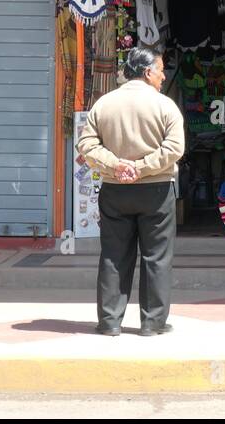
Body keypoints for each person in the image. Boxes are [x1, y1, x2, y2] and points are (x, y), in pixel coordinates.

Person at [77, 45, 185, 336]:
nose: (163, 77)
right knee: (156, 257)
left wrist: (117, 166)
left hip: (115, 190)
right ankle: (153, 323)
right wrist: (143, 167)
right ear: (148, 72)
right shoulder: (166, 106)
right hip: (157, 190)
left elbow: (86, 146)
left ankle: (110, 322)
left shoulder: (104, 103)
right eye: (161, 70)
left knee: (114, 255)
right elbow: (175, 148)